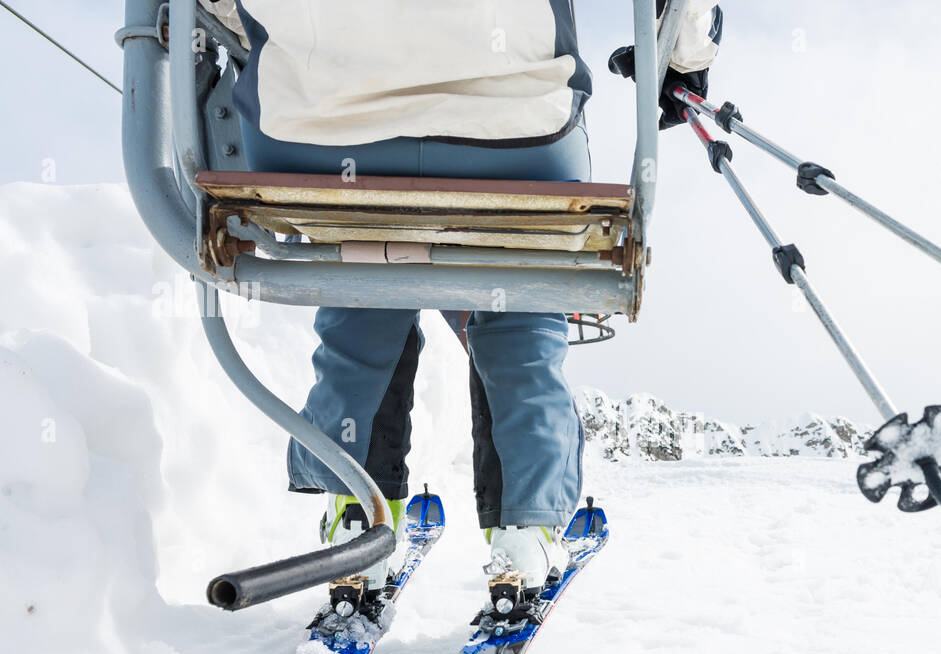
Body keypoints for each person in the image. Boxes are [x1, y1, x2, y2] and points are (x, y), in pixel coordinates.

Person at [197, 1, 723, 591]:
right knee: (517, 294)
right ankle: (526, 525)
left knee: (364, 274)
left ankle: (356, 508)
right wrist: (684, 56)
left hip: (311, 138)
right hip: (518, 138)